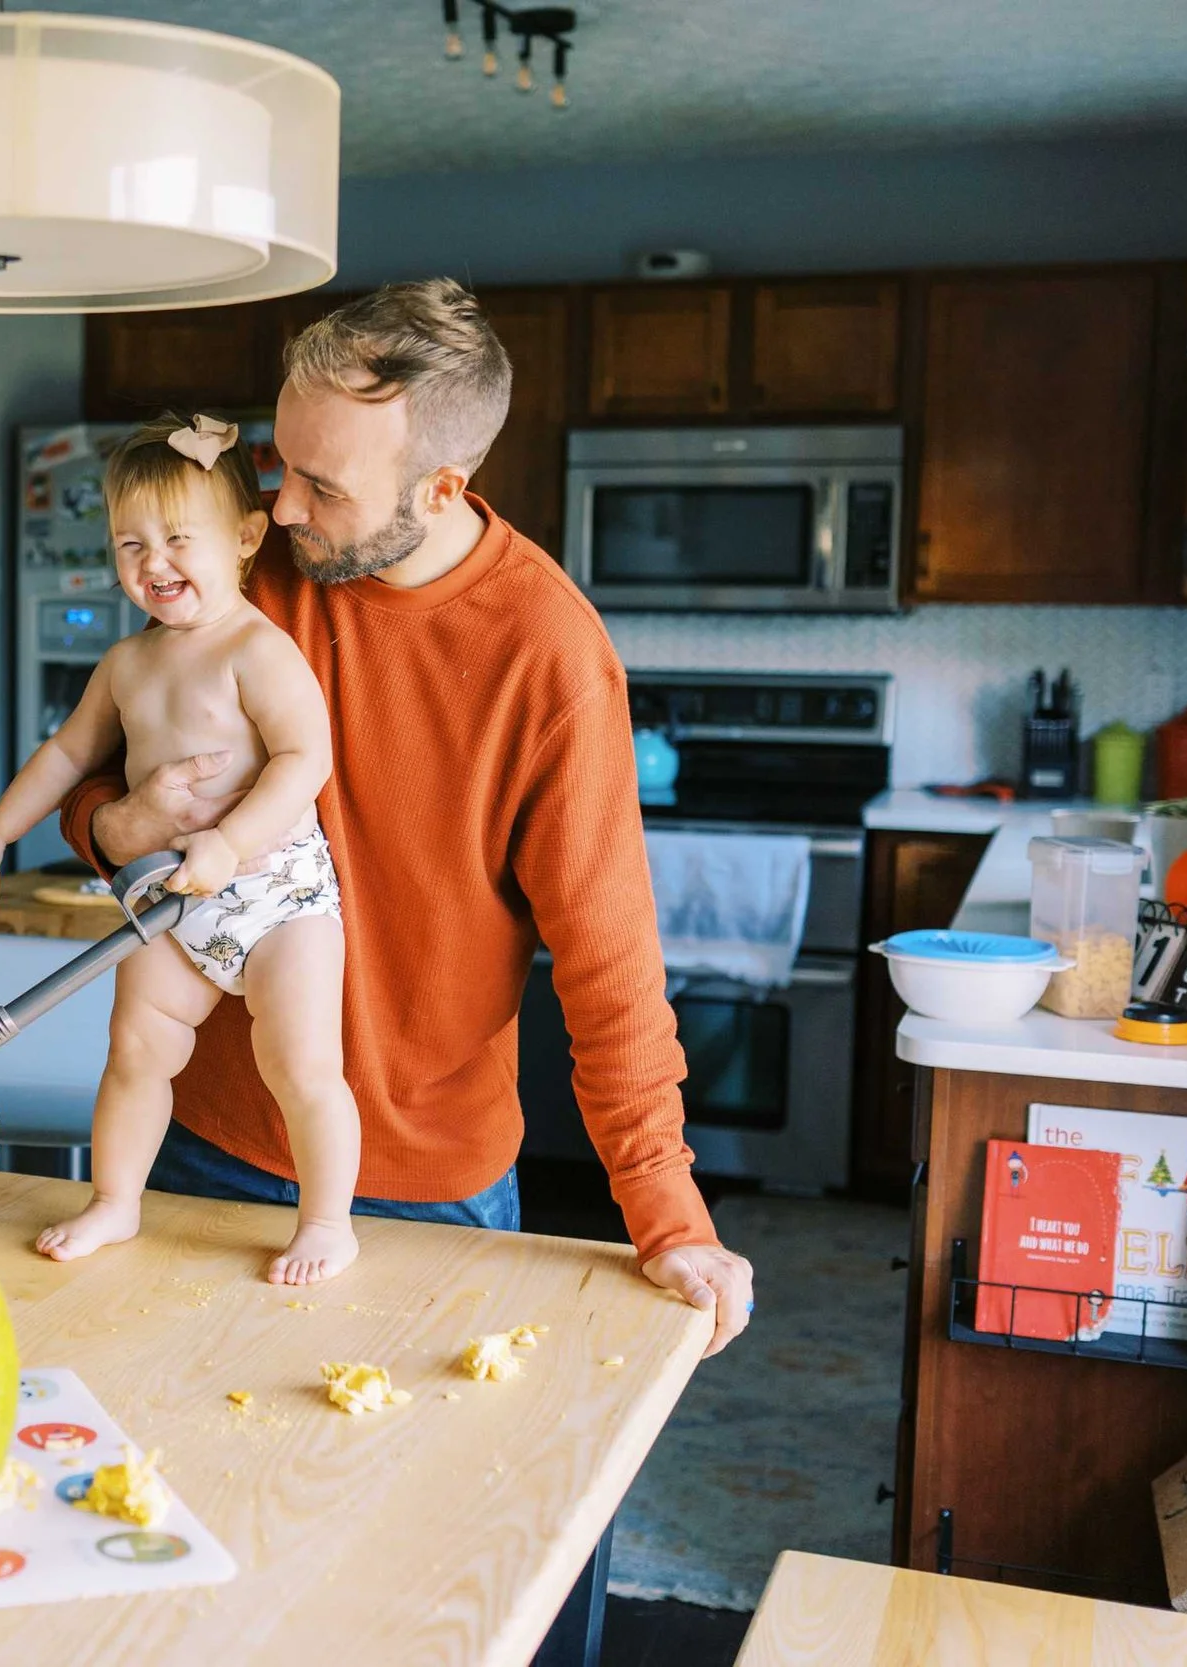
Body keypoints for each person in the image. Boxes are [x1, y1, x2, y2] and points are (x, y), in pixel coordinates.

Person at [60, 281, 756, 1356]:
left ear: (440, 488)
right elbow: (94, 780)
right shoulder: (247, 568)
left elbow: (608, 960)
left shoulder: (549, 657)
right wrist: (119, 825)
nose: (281, 509)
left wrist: (667, 1213)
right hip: (206, 1142)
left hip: (425, 1180)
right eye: (278, 466)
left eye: (321, 485)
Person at [0, 413, 359, 1285]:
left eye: (179, 538)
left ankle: (328, 1222)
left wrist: (230, 838)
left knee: (302, 1062)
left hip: (276, 899)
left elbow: (305, 759)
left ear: (248, 537)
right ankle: (114, 1201)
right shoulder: (127, 663)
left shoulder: (257, 649)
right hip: (169, 904)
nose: (153, 562)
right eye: (130, 543)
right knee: (135, 1051)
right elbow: (67, 755)